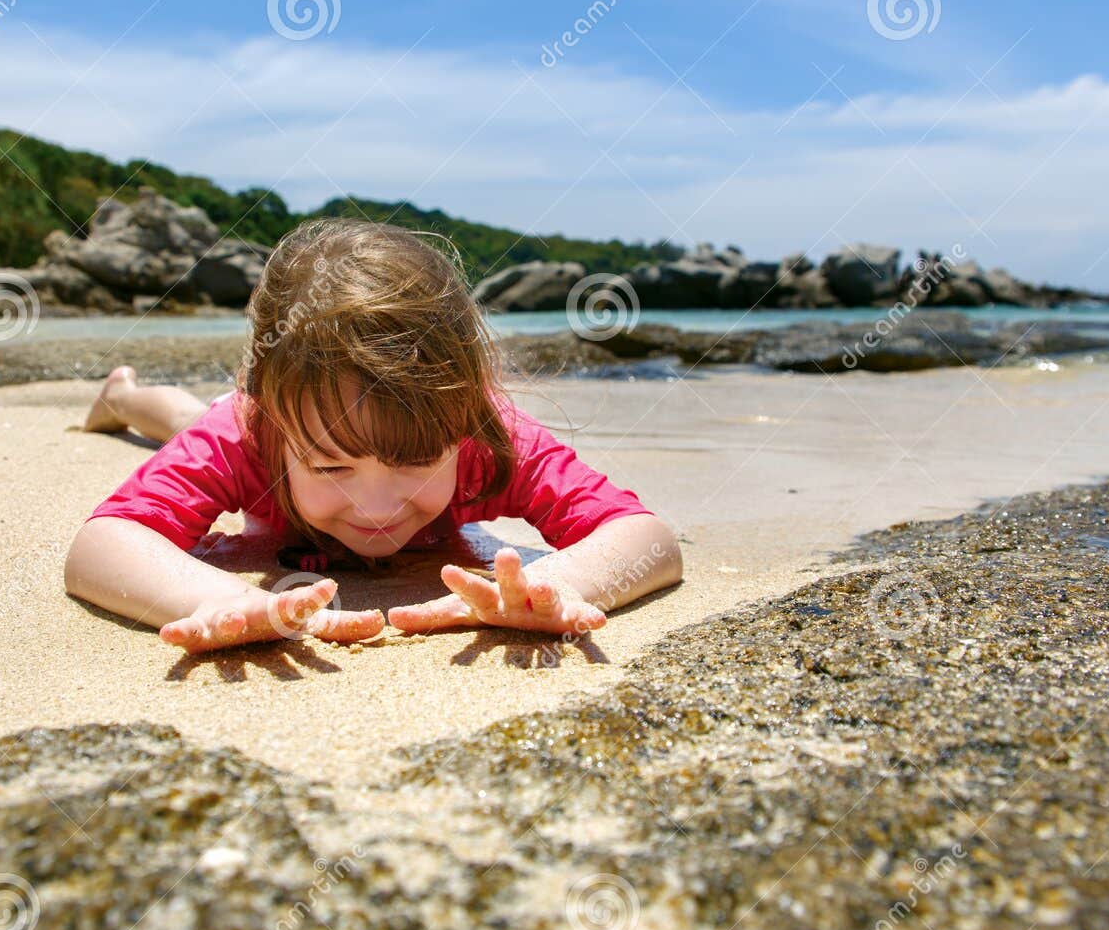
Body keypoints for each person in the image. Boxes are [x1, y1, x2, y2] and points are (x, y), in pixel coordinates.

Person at [64, 217, 683, 655]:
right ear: (276, 423)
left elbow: (647, 537)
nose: (379, 509)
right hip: (232, 418)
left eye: (415, 463)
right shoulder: (244, 436)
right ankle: (121, 393)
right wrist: (214, 594)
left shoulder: (483, 436)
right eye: (332, 468)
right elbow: (101, 546)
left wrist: (555, 588)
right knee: (184, 418)